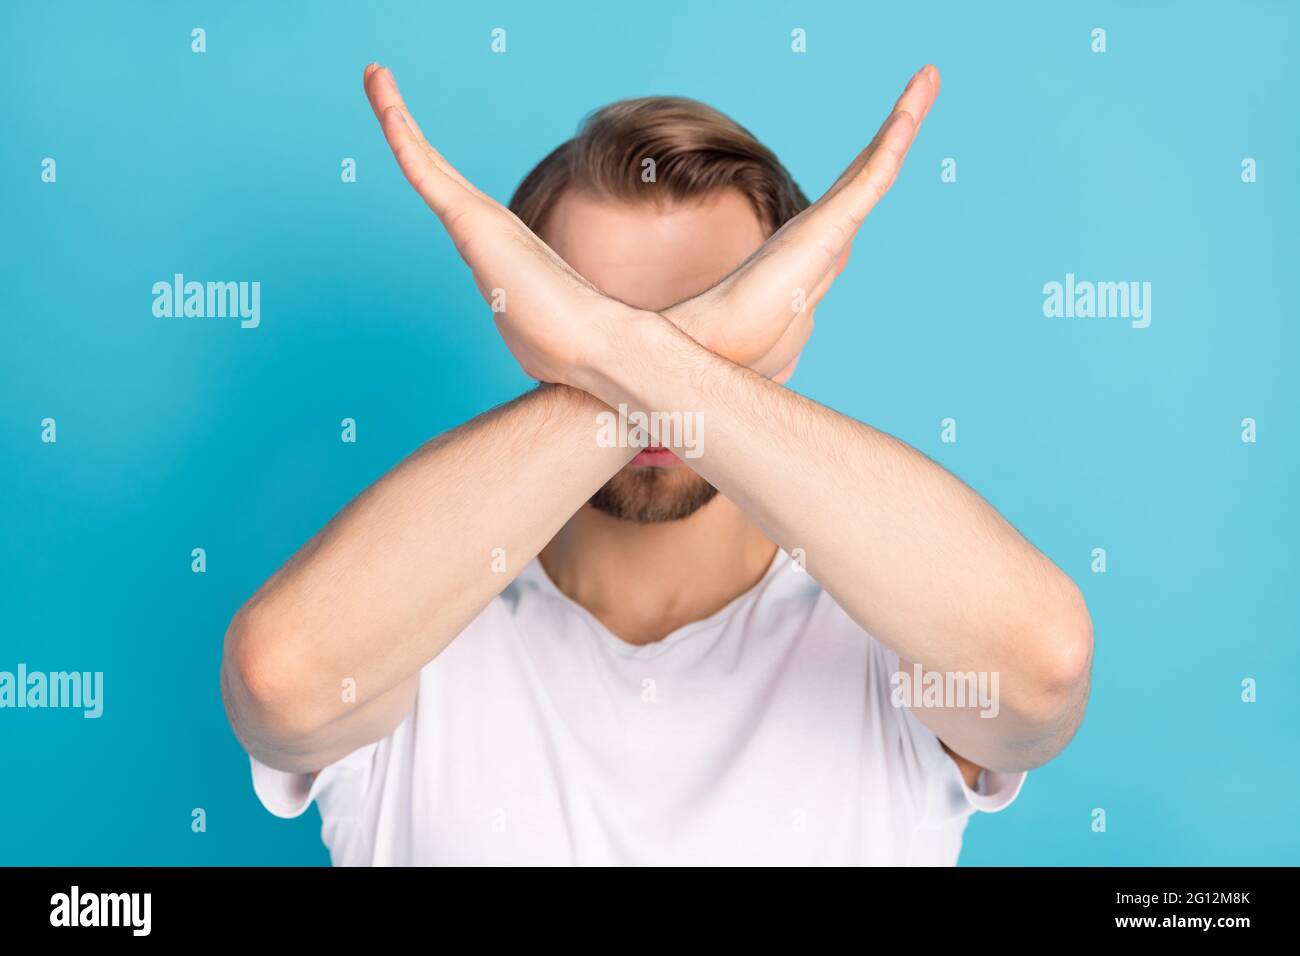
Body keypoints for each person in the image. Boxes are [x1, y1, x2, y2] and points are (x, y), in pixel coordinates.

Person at [220, 62, 1093, 865]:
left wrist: (615, 351)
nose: (642, 352)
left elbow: (1043, 668)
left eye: (719, 311)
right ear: (523, 326)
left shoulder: (895, 635)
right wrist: (704, 350)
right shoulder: (409, 626)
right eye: (592, 315)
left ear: (795, 320)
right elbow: (279, 680)